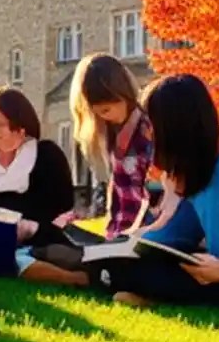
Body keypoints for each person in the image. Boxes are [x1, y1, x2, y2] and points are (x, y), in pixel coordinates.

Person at [94, 74, 219, 307]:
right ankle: (137, 288)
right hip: (207, 268)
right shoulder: (194, 167)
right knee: (119, 263)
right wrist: (131, 243)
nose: (148, 135)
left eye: (152, 126)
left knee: (138, 276)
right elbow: (175, 234)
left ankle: (147, 294)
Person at [0, 86, 86, 285]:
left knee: (40, 254)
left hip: (42, 239)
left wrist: (30, 229)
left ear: (21, 127)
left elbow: (61, 213)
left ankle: (71, 276)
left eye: (1, 125)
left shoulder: (48, 155)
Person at [69, 54, 169, 239]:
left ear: (122, 93)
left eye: (106, 110)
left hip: (148, 231)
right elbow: (118, 190)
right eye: (98, 114)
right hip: (121, 231)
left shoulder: (147, 128)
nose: (106, 117)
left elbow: (157, 188)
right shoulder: (115, 133)